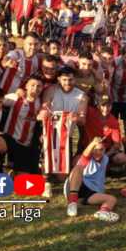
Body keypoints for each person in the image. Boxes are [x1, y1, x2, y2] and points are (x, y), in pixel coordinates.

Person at [40, 66, 88, 196]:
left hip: (66, 136)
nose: (68, 83)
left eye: (71, 80)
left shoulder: (81, 96)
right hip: (49, 132)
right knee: (45, 146)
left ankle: (53, 171)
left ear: (75, 79)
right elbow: (44, 108)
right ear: (59, 79)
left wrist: (77, 118)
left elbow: (83, 120)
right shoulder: (51, 90)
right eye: (65, 79)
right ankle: (46, 182)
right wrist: (45, 112)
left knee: (63, 177)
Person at [65, 136, 120, 222]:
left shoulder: (105, 158)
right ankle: (72, 203)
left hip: (91, 193)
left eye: (101, 149)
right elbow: (86, 153)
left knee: (112, 199)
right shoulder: (87, 157)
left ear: (105, 149)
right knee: (78, 167)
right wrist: (94, 143)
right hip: (77, 185)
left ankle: (103, 213)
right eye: (95, 149)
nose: (98, 152)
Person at [0, 77, 45, 177]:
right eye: (32, 85)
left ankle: (11, 171)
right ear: (26, 86)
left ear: (42, 88)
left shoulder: (42, 103)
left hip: (26, 145)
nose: (35, 88)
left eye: (39, 86)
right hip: (10, 139)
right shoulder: (17, 97)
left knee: (22, 179)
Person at [84, 95, 126, 168]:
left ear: (111, 106)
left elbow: (117, 144)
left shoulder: (114, 122)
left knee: (121, 158)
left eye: (108, 106)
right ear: (98, 106)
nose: (106, 108)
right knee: (76, 160)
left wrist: (105, 155)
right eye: (103, 105)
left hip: (105, 149)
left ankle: (105, 168)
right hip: (89, 147)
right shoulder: (90, 112)